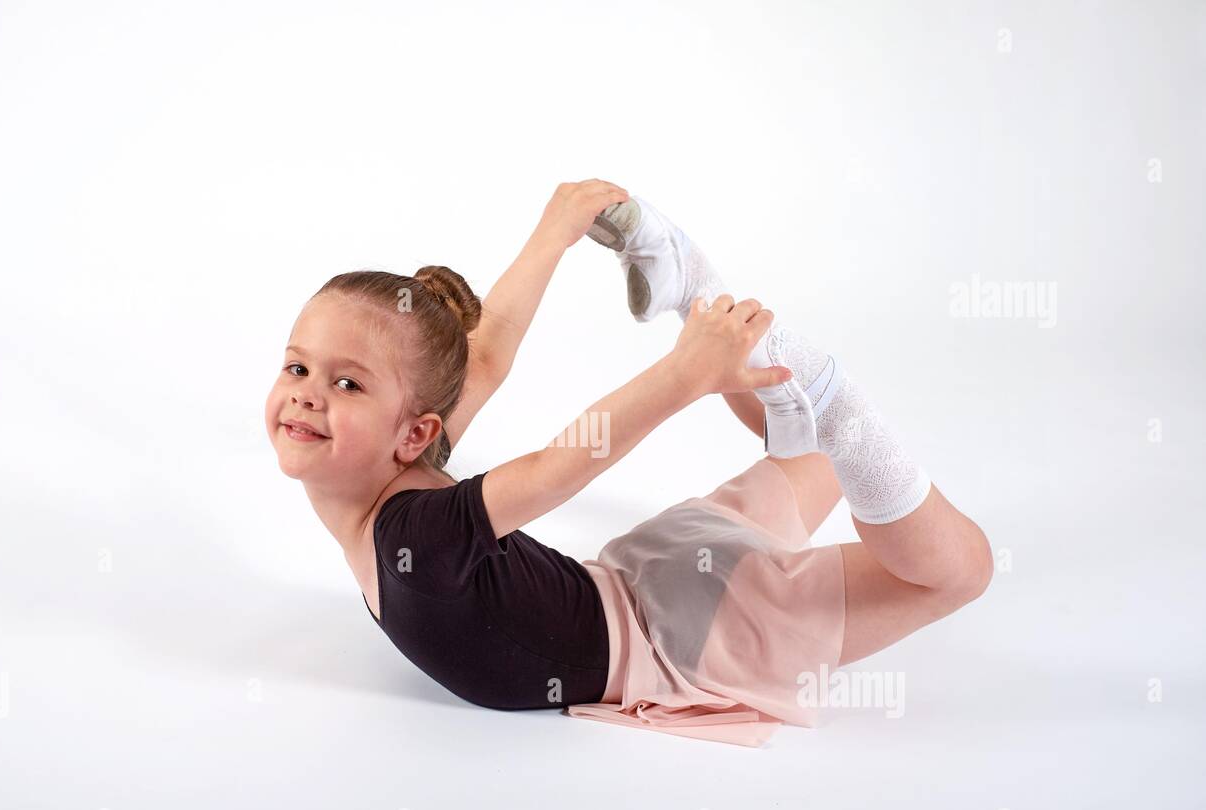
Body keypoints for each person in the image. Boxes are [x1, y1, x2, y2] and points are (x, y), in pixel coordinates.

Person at [264, 179, 993, 747]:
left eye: (346, 383)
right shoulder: (406, 466)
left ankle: (817, 387)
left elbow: (558, 464)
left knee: (960, 571)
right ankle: (700, 294)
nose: (306, 395)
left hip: (685, 638)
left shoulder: (412, 534)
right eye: (298, 367)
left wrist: (684, 374)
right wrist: (556, 230)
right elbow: (483, 359)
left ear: (414, 430)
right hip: (655, 577)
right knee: (823, 457)